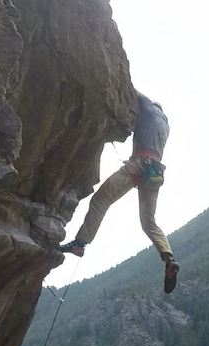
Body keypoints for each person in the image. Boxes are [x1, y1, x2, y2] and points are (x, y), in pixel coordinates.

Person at [59, 92, 180, 293]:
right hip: (155, 174)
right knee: (149, 222)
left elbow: (130, 89)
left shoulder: (147, 107)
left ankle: (79, 243)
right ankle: (169, 259)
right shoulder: (165, 125)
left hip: (139, 165)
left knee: (100, 200)